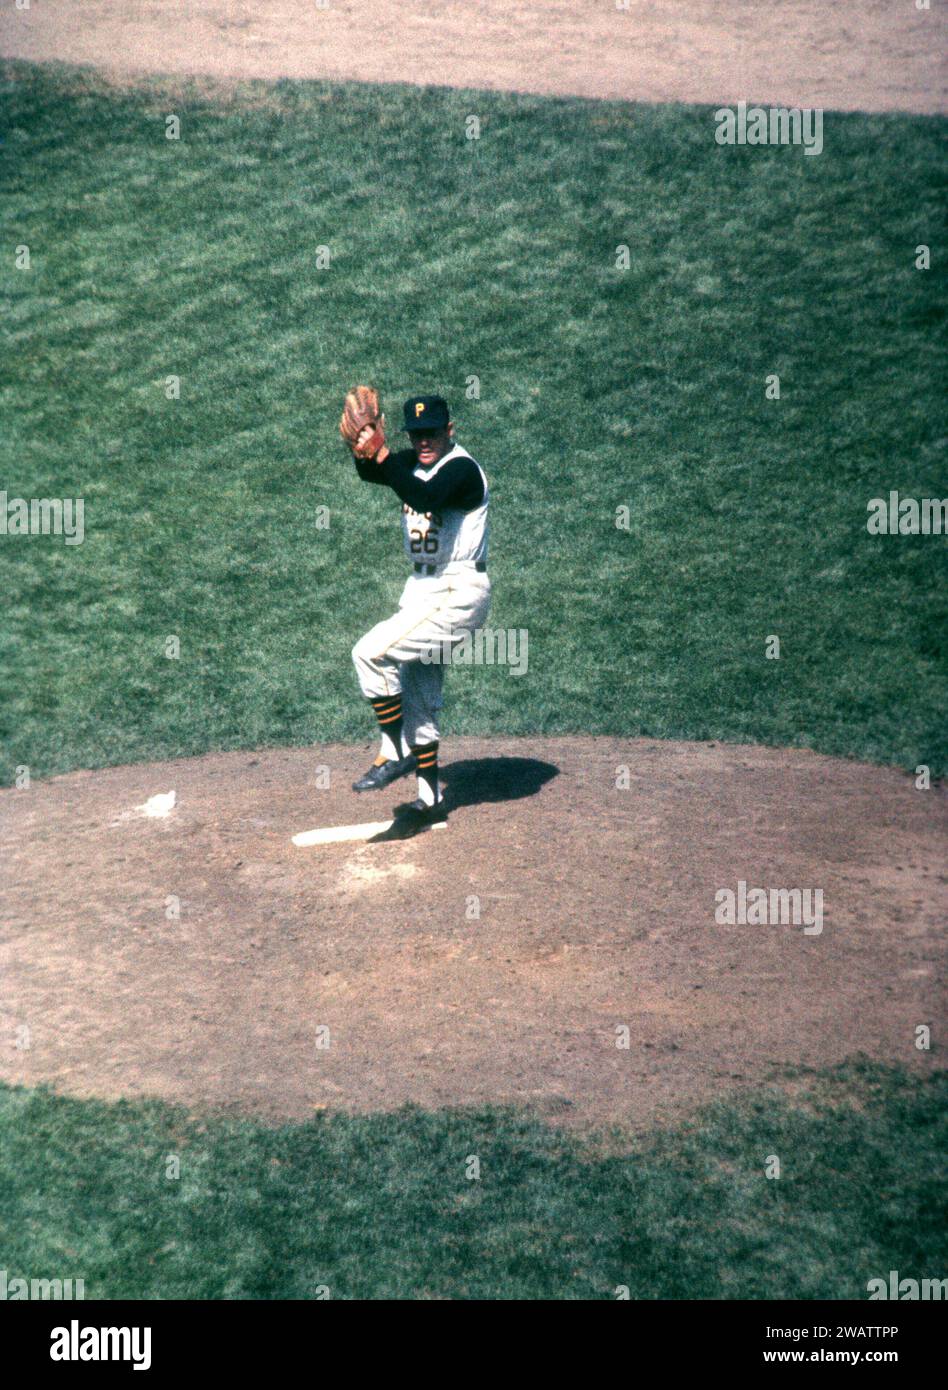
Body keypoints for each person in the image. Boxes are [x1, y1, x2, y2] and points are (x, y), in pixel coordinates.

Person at [347, 394, 490, 835]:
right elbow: (374, 472)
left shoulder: (462, 469)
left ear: (450, 430)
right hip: (424, 589)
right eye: (416, 434)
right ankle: (429, 797)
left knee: (370, 653)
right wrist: (360, 445)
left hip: (457, 590)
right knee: (419, 694)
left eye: (432, 433)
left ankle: (393, 751)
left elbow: (422, 495)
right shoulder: (415, 461)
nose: (423, 441)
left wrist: (385, 453)